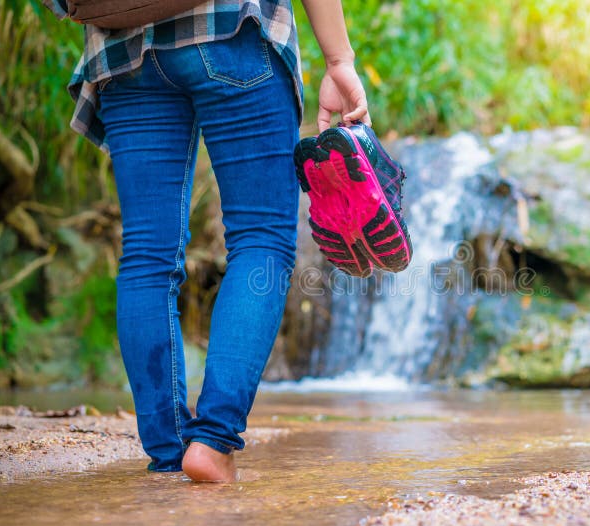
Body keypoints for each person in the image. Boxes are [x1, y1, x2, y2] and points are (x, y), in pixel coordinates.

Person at [41, 0, 370, 482]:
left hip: (121, 49)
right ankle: (213, 442)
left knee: (147, 255)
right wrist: (339, 60)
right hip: (233, 28)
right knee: (261, 239)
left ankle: (169, 453)